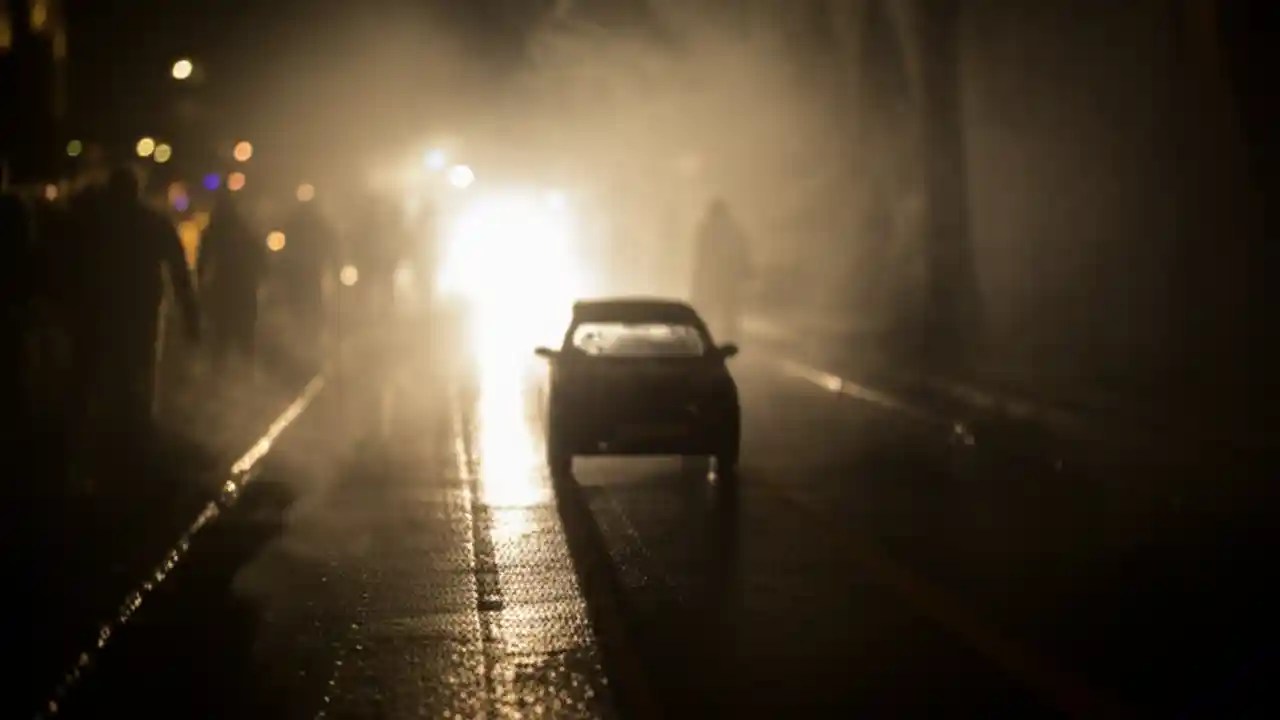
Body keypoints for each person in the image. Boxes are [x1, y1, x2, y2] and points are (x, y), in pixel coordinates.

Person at [67, 165, 200, 455]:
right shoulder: (153, 222)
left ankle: (93, 433)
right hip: (141, 309)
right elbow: (179, 270)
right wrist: (190, 315)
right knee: (140, 367)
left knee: (98, 368)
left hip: (101, 308)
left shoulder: (94, 224)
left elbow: (72, 265)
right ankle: (136, 430)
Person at [198, 187, 265, 371]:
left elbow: (202, 264)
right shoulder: (245, 230)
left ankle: (220, 378)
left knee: (220, 344)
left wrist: (201, 290)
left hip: (222, 292)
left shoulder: (213, 232)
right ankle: (246, 377)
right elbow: (261, 260)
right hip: (244, 292)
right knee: (245, 342)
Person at [691, 198, 753, 341]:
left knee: (709, 308)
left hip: (712, 276)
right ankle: (729, 337)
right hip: (728, 277)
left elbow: (700, 255)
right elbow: (742, 251)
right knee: (729, 310)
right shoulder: (733, 229)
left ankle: (705, 336)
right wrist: (747, 270)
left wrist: (698, 275)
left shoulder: (706, 229)